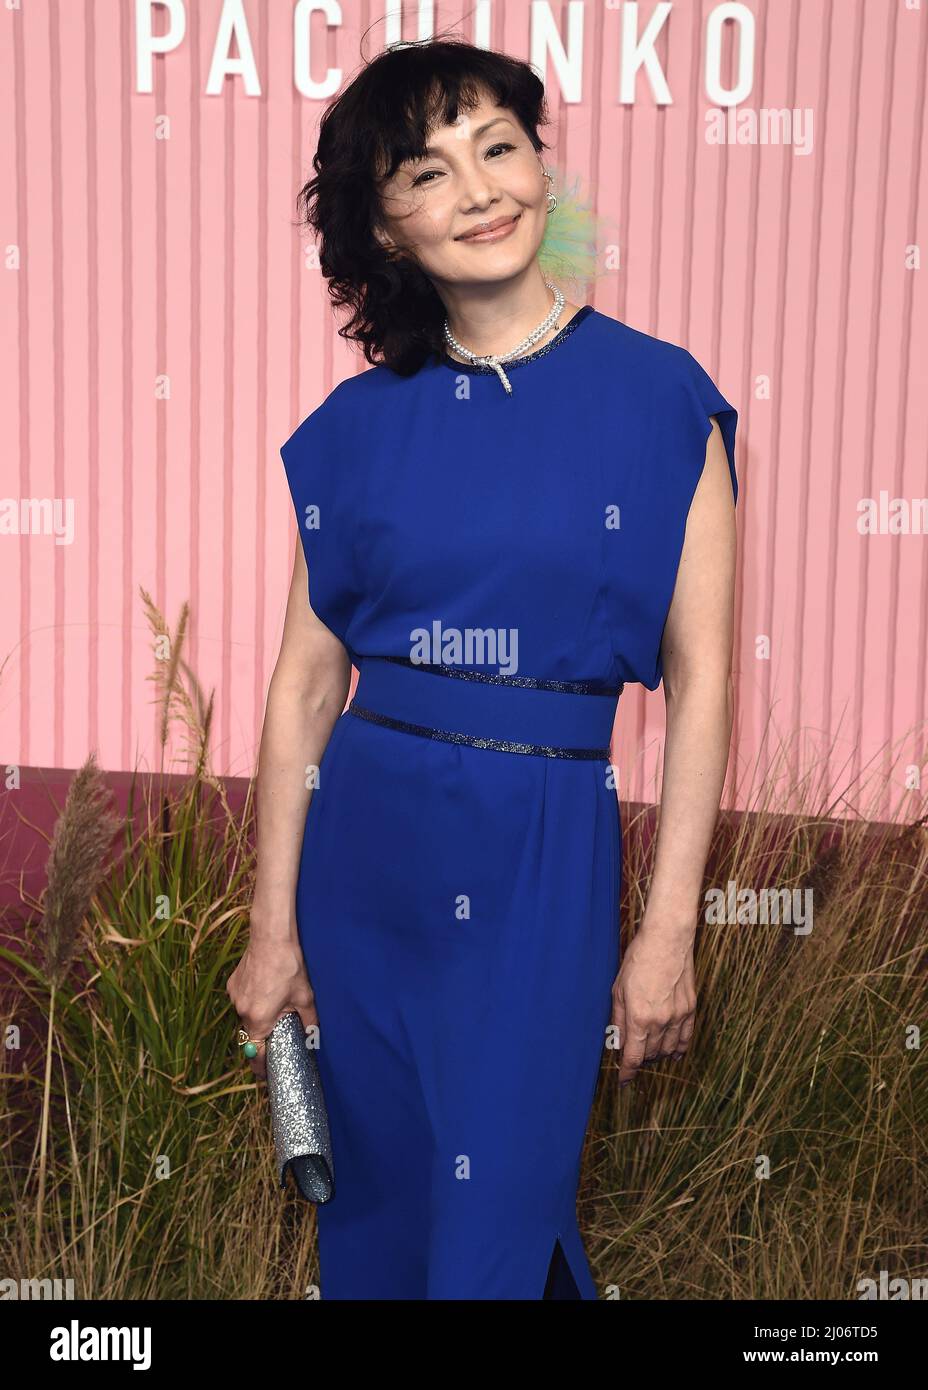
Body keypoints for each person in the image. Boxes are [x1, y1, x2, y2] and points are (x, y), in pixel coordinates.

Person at [227, 37, 739, 1301]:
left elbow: (705, 681)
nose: (477, 187)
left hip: (537, 859)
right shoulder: (354, 430)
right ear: (387, 230)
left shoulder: (659, 400)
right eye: (426, 169)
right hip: (368, 862)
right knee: (387, 1232)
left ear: (543, 172)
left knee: (499, 1230)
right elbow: (302, 690)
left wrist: (668, 929)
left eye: (498, 146)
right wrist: (271, 924)